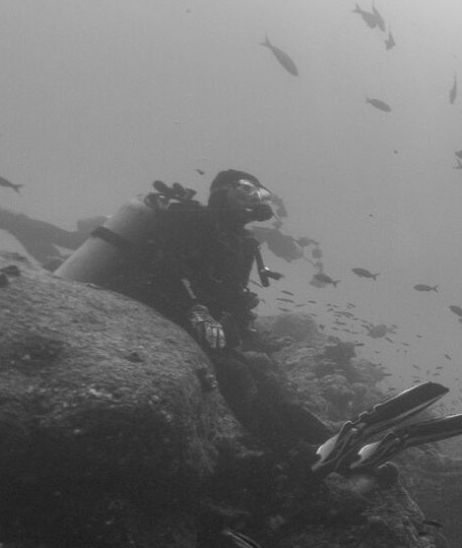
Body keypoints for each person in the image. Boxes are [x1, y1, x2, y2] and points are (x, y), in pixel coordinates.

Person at [56, 171, 329, 450]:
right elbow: (169, 265)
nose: (254, 198)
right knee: (235, 373)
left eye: (260, 194)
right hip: (156, 304)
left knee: (263, 379)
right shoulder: (190, 218)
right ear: (221, 191)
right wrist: (195, 307)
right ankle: (288, 450)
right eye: (246, 189)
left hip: (197, 324)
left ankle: (325, 441)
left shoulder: (243, 244)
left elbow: (228, 294)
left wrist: (237, 319)